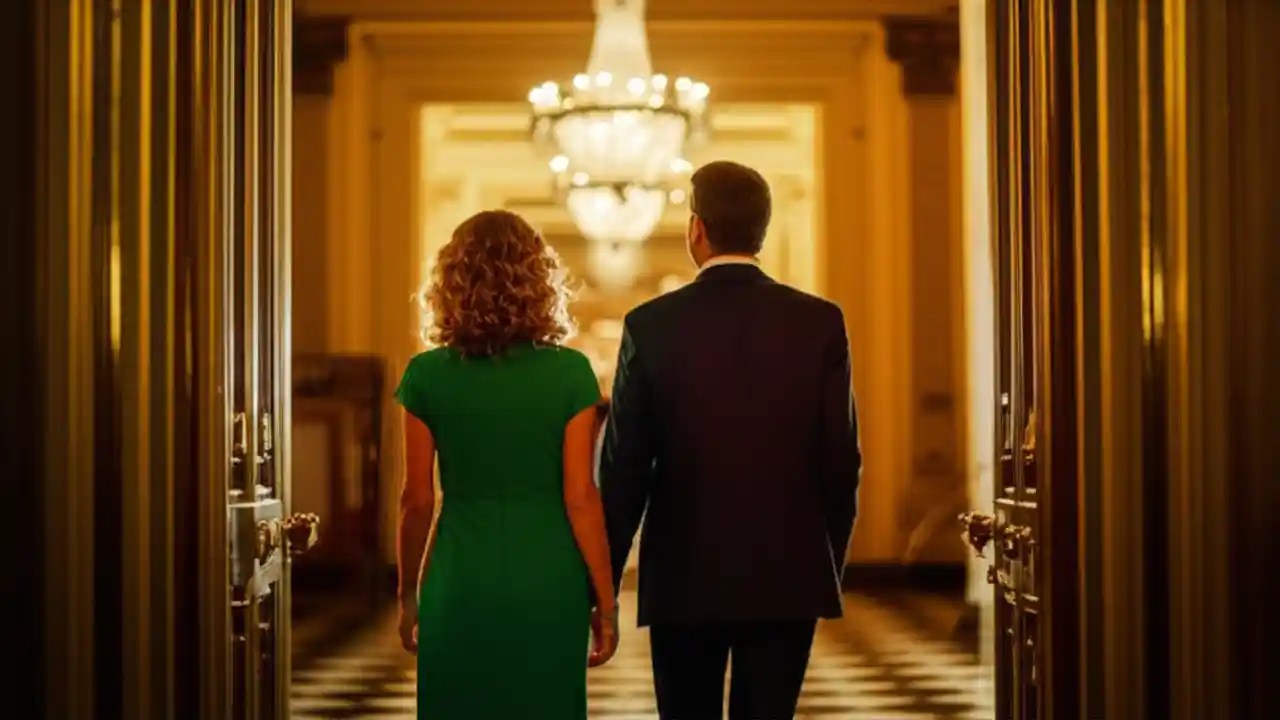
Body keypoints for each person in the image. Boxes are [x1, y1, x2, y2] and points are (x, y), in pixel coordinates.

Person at [599, 160, 863, 720]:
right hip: (787, 573)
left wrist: (603, 585)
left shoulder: (651, 325)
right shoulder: (818, 321)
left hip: (683, 576)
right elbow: (841, 458)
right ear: (761, 230)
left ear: (697, 228)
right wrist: (824, 564)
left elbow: (624, 466)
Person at [394, 210, 619, 720]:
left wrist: (408, 593)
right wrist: (605, 603)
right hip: (548, 579)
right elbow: (581, 498)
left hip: (459, 577)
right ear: (539, 280)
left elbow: (418, 500)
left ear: (451, 281)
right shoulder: (571, 373)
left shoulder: (426, 375)